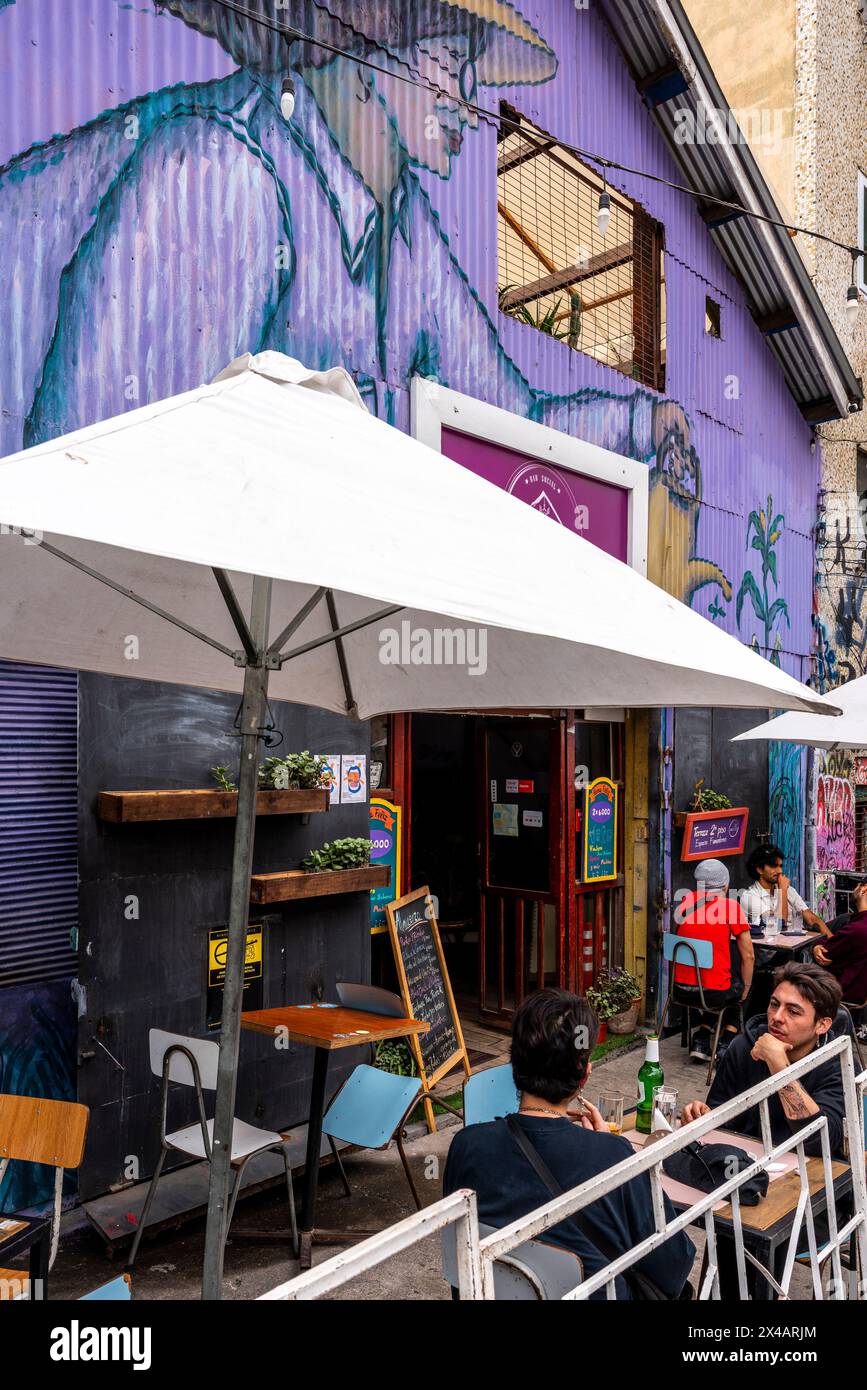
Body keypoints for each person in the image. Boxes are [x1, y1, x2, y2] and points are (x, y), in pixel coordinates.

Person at [443, 988, 695, 1299]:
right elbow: (674, 1265)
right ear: (585, 1075)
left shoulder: (466, 1146)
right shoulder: (613, 1156)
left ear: (515, 1063)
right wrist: (608, 1150)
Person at [682, 962, 845, 1157]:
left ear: (822, 1025)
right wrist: (703, 1115)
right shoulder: (744, 1047)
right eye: (774, 1004)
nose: (777, 1017)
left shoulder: (837, 1064)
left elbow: (820, 1142)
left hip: (808, 1173)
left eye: (793, 1011)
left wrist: (778, 1065)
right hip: (744, 1166)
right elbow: (722, 1114)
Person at [672, 858, 754, 1064]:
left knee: (718, 983)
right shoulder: (730, 907)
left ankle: (701, 1038)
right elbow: (749, 955)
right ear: (725, 884)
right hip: (712, 994)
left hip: (680, 990)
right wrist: (746, 986)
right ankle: (726, 1044)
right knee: (741, 992)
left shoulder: (685, 903)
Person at [812, 882, 867, 1039]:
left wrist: (816, 946)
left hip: (843, 989)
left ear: (864, 888)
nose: (854, 888)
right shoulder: (854, 922)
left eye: (857, 886)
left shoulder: (858, 928)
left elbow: (825, 955)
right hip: (857, 989)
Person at [740, 844, 830, 938]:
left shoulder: (789, 890)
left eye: (780, 866)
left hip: (798, 941)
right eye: (774, 866)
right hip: (777, 949)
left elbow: (811, 918)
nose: (779, 871)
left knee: (844, 920)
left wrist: (832, 942)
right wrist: (782, 890)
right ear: (759, 869)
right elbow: (779, 924)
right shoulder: (749, 896)